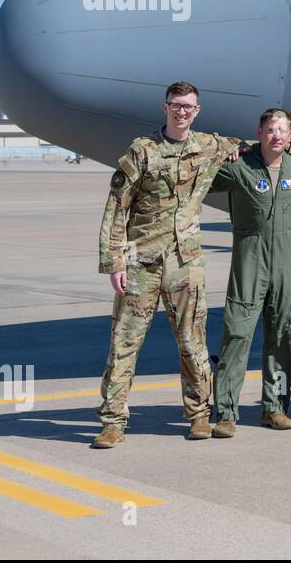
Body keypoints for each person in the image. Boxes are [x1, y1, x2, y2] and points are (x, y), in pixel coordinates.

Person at [93, 81, 245, 448]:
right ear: (165, 108)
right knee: (125, 342)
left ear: (197, 111)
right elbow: (117, 208)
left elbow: (255, 146)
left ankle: (198, 415)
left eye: (188, 107)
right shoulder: (142, 151)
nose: (182, 112)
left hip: (185, 263)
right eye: (176, 105)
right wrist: (115, 262)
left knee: (192, 342)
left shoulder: (208, 146)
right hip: (142, 262)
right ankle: (113, 420)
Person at [209, 109, 291, 436]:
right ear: (259, 131)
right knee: (238, 333)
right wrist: (225, 150)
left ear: (290, 135)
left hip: (286, 262)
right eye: (271, 130)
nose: (276, 136)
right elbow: (200, 177)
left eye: (283, 131)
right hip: (249, 260)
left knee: (284, 335)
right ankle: (226, 412)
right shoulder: (239, 167)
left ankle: (275, 408)